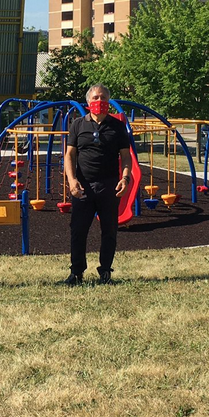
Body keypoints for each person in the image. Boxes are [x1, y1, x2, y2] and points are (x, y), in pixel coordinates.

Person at [64, 84, 132, 285]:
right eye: (95, 98)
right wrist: (71, 180)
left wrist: (125, 177)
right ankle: (76, 273)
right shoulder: (77, 124)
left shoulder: (117, 126)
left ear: (108, 102)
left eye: (103, 98)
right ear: (88, 102)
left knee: (109, 230)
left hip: (109, 186)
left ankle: (105, 272)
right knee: (78, 230)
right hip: (83, 187)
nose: (99, 102)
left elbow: (126, 157)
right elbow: (69, 154)